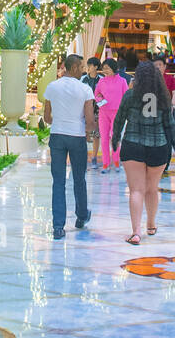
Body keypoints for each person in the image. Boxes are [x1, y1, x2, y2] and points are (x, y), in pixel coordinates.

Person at [112, 61, 175, 245]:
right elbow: (170, 126)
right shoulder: (163, 98)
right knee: (152, 188)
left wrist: (115, 140)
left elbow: (119, 119)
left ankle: (136, 232)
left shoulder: (130, 96)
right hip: (158, 146)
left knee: (136, 190)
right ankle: (151, 225)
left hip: (133, 145)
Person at [42, 53, 95, 240]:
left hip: (57, 135)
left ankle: (58, 227)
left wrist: (60, 121)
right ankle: (81, 216)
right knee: (79, 178)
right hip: (77, 136)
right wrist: (89, 130)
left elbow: (46, 117)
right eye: (81, 67)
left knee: (58, 181)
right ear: (73, 68)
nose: (83, 70)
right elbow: (89, 120)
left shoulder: (51, 87)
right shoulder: (85, 89)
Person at [94, 59, 128, 172]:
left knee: (115, 138)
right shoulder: (101, 81)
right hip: (103, 113)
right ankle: (105, 163)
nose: (105, 70)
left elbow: (126, 97)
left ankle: (116, 161)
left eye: (107, 68)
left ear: (114, 68)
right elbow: (96, 94)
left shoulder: (122, 81)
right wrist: (99, 99)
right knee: (104, 138)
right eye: (103, 68)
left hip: (117, 113)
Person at [82, 57, 102, 166]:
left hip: (97, 110)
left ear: (96, 67)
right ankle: (83, 157)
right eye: (87, 65)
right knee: (84, 133)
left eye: (90, 65)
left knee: (96, 134)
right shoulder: (83, 79)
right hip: (84, 110)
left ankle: (94, 157)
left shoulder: (102, 79)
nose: (88, 68)